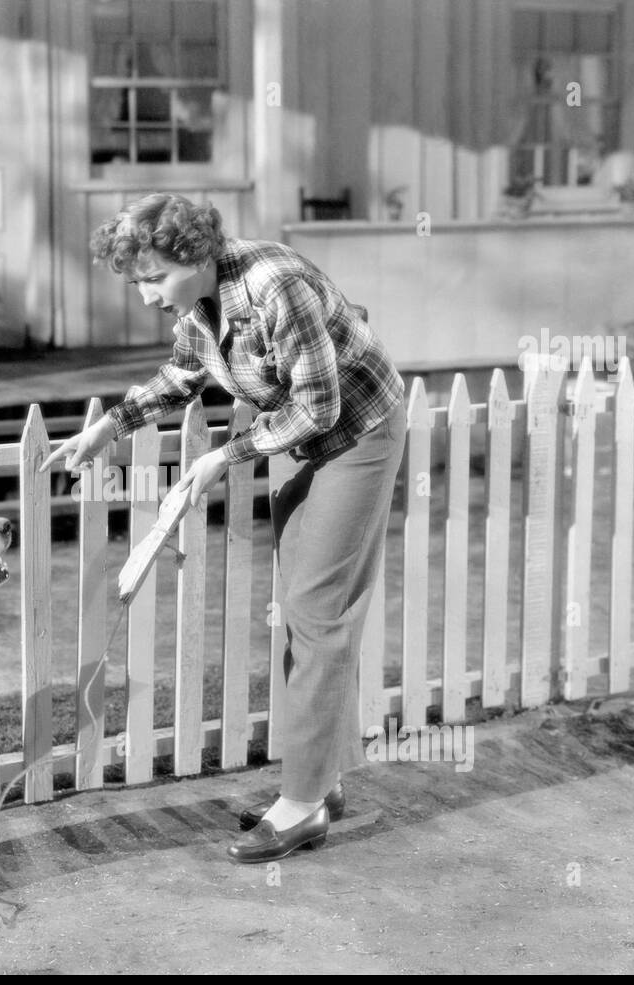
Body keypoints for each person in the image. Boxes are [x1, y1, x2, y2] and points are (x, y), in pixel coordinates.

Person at [41, 193, 405, 863]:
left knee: (317, 613)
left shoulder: (276, 285)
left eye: (155, 278)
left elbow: (320, 407)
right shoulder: (197, 305)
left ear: (196, 254)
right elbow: (181, 376)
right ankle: (318, 783)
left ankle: (300, 809)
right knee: (302, 615)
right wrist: (107, 428)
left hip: (356, 431)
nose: (148, 296)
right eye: (139, 282)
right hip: (295, 433)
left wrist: (223, 457)